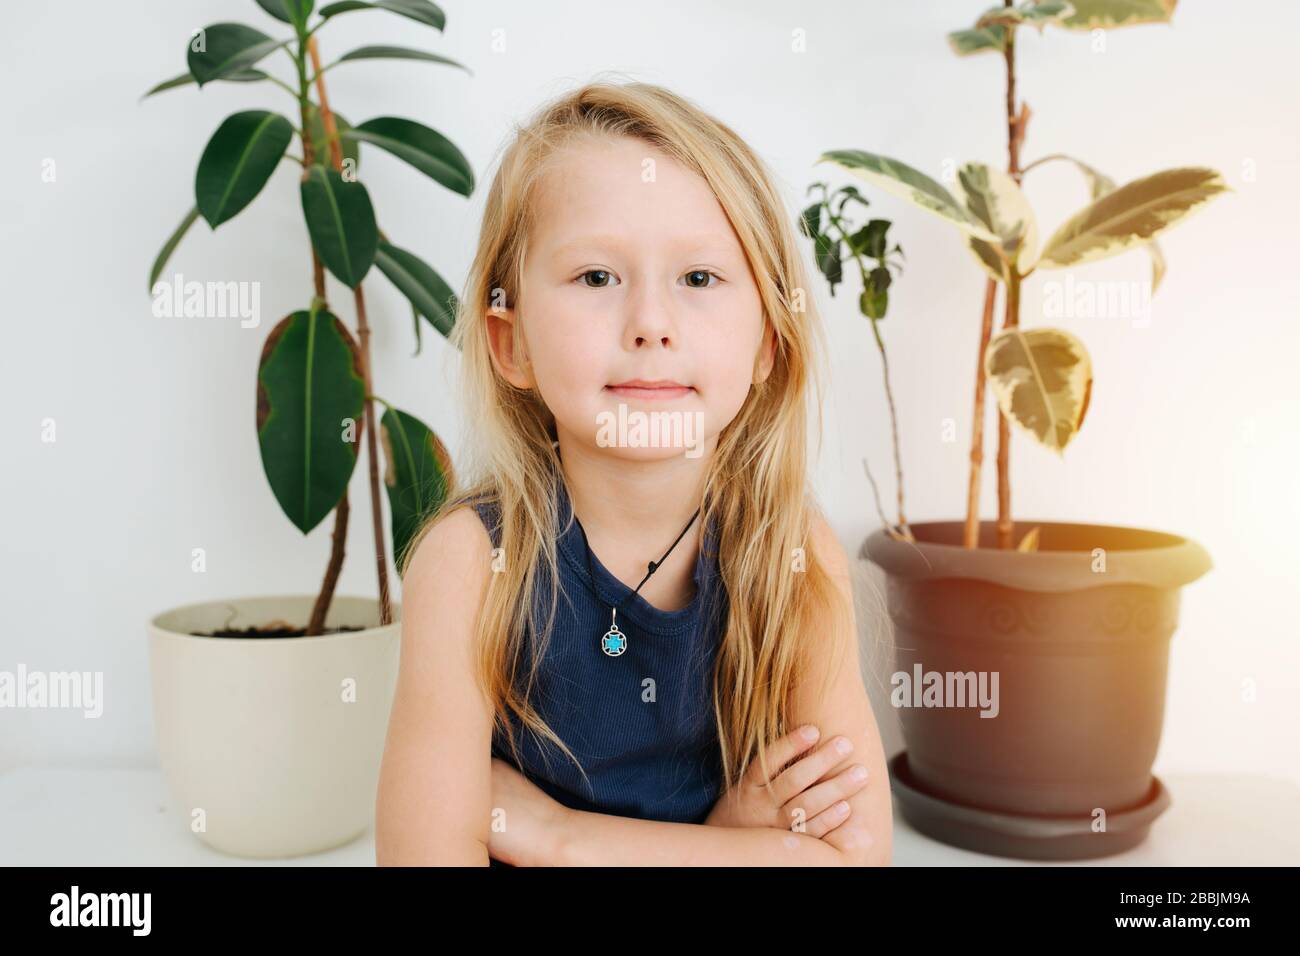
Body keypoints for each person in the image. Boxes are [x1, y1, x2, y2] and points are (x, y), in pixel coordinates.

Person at [375, 80, 892, 866]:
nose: (651, 324)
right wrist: (729, 848)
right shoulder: (469, 566)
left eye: (698, 279)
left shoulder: (796, 556)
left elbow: (855, 858)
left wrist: (558, 837)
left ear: (766, 346)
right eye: (596, 278)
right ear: (509, 344)